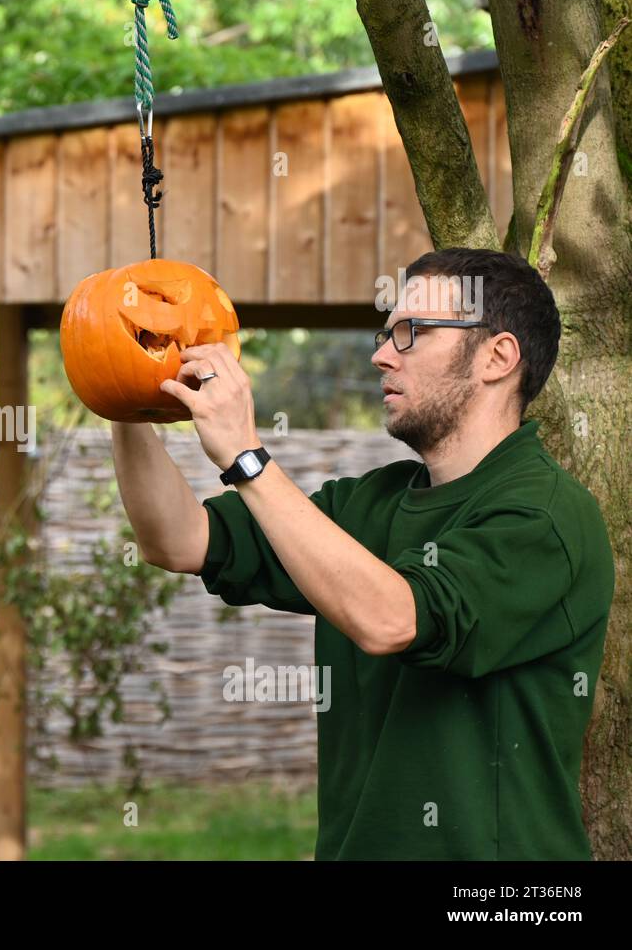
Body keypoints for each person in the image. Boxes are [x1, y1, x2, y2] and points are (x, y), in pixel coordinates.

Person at [111, 247, 614, 859]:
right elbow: (178, 539)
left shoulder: (546, 514)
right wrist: (122, 385)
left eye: (409, 333)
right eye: (385, 333)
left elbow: (394, 619)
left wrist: (247, 457)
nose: (380, 353)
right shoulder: (367, 505)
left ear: (497, 357)